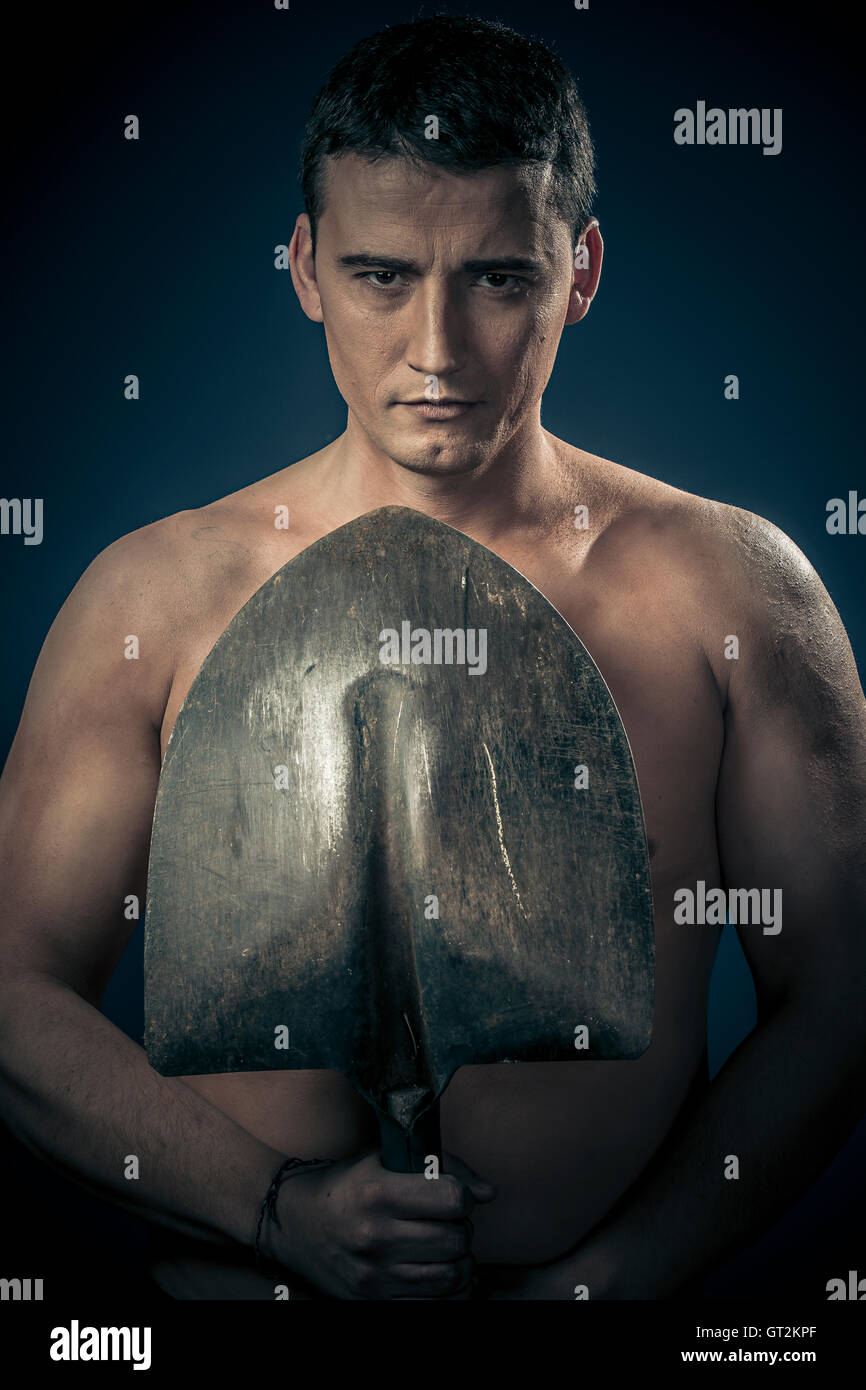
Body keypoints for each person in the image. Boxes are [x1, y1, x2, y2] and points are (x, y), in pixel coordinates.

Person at [0, 15, 863, 1301]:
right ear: (301, 268)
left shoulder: (730, 596)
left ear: (580, 271)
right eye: (381, 274)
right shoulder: (157, 596)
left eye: (499, 278)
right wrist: (272, 1209)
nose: (437, 353)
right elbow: (12, 994)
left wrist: (620, 1279)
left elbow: (840, 1001)